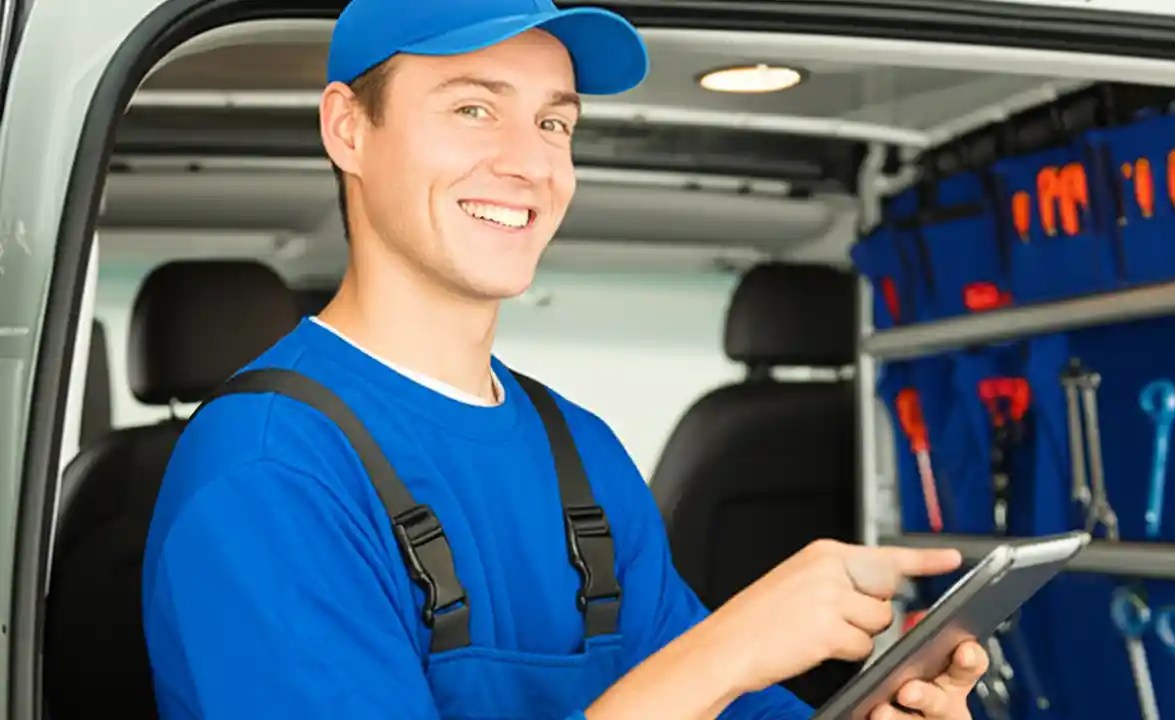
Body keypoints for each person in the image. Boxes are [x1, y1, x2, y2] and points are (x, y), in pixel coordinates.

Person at [140, 0, 990, 718]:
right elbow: (696, 680)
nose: (529, 163)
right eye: (474, 109)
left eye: (553, 122)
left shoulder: (579, 449)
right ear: (348, 128)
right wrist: (728, 649)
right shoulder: (267, 468)